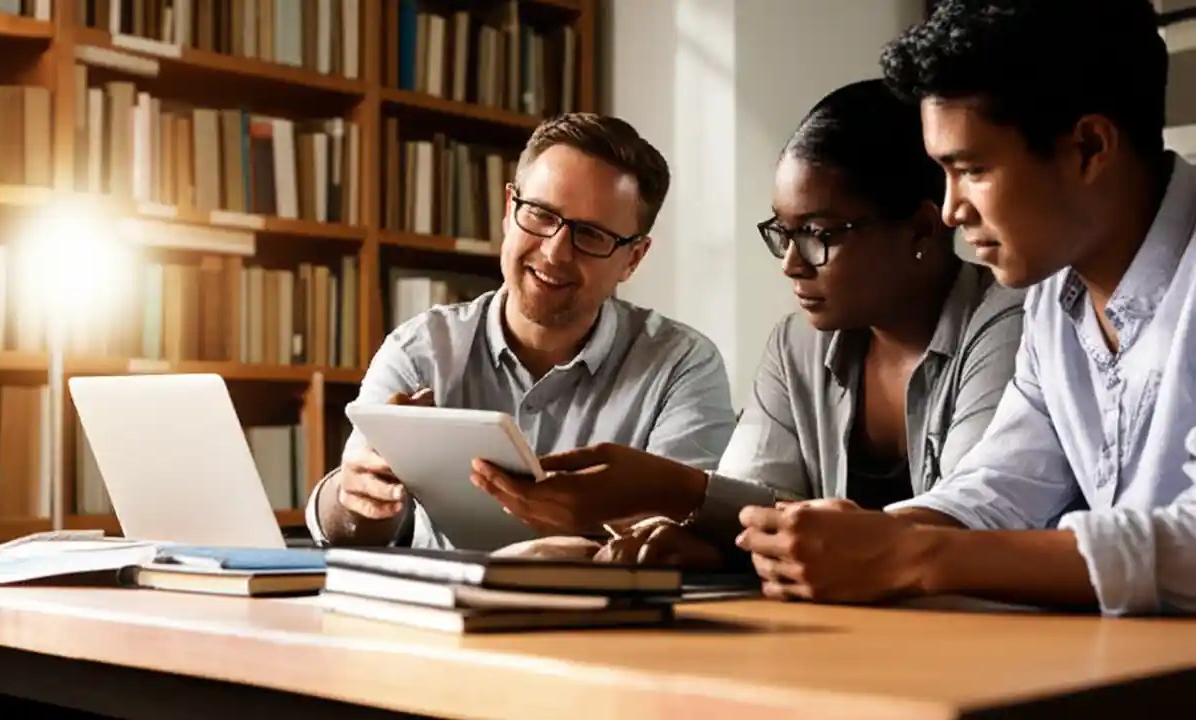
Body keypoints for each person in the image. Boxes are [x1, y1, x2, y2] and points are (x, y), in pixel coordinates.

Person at [731, 0, 1196, 616]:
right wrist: (874, 536)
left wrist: (912, 556)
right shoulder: (1055, 297)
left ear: (1088, 147)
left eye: (971, 169)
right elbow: (1004, 487)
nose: (950, 211)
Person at [472, 79, 1025, 565]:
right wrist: (708, 546)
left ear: (922, 231)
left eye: (819, 234)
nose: (791, 262)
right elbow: (753, 506)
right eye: (782, 232)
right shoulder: (796, 345)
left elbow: (972, 522)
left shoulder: (1008, 323)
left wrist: (678, 489)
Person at [306, 113, 737, 550]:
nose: (555, 252)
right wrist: (354, 497)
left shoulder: (682, 365)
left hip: (606, 615)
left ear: (633, 258)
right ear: (509, 210)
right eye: (541, 214)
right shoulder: (419, 351)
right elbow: (351, 530)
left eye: (590, 234)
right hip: (441, 611)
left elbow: (689, 536)